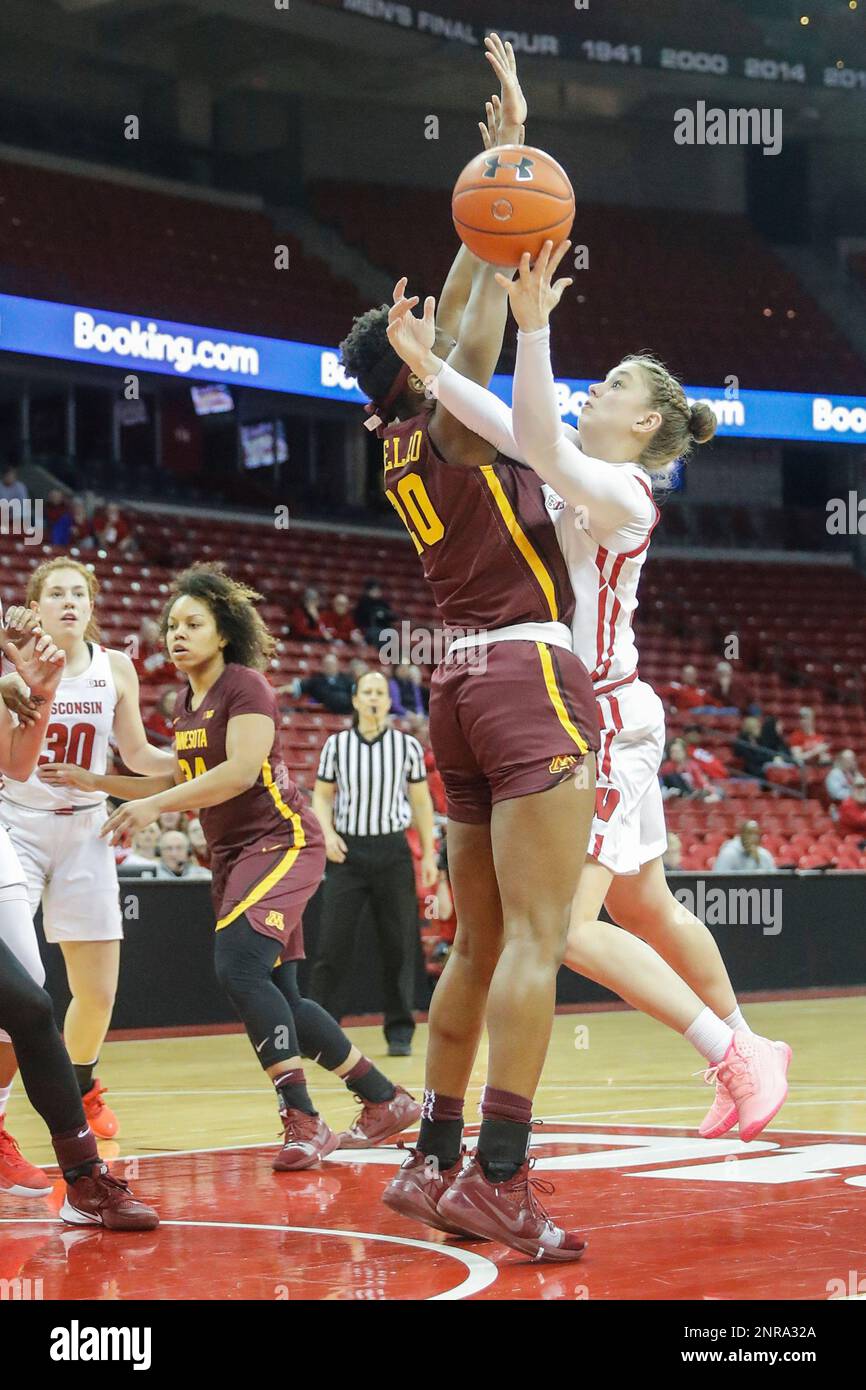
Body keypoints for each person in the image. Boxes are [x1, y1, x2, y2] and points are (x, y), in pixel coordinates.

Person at [384, 221, 792, 1183]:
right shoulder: (575, 455)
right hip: (602, 704)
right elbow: (504, 423)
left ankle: (728, 1054)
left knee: (565, 929)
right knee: (646, 902)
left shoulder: (626, 494)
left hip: (600, 717)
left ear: (645, 424)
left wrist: (525, 333)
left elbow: (524, 433)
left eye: (613, 387)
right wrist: (428, 361)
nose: (593, 392)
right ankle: (752, 1047)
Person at [343, 39, 608, 1260]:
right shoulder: (452, 424)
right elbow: (471, 328)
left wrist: (490, 170)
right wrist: (497, 203)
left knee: (481, 943)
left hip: (451, 683)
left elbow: (452, 323)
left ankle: (431, 1155)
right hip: (524, 672)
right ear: (404, 360)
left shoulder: (392, 441)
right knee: (537, 945)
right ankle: (500, 1176)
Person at [49, 563, 420, 1164]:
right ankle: (383, 1098)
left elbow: (240, 772)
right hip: (232, 857)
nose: (177, 634)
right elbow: (174, 770)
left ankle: (302, 1118)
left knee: (238, 967)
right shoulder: (190, 705)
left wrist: (154, 807)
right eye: (171, 625)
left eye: (193, 623)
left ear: (223, 633)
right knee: (283, 995)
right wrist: (97, 781)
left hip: (281, 842)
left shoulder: (245, 685)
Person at [1, 558, 177, 1143]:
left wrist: (196, 759)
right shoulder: (14, 665)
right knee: (20, 981)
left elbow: (139, 756)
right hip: (16, 824)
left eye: (80, 593)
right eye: (56, 594)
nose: (70, 602)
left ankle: (80, 1088)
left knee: (98, 990)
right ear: (36, 605)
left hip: (85, 830)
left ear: (93, 606)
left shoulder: (116, 667)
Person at [310, 670, 437, 1057]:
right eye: (367, 691)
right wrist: (328, 834)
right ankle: (321, 1032)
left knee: (399, 944)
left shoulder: (407, 747)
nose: (373, 698)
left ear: (388, 700)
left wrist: (429, 853)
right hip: (347, 854)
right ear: (355, 699)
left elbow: (420, 803)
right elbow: (321, 798)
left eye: (380, 692)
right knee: (333, 944)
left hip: (392, 851)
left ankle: (400, 1033)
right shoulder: (336, 746)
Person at [281, 652, 353, 715]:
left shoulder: (347, 680)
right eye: (327, 664)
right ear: (323, 666)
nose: (329, 667)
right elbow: (298, 687)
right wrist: (281, 689)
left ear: (337, 665)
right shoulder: (316, 680)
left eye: (331, 664)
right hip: (322, 713)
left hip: (345, 712)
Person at [354, 581, 398, 647]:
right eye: (374, 590)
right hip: (368, 629)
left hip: (383, 629)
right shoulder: (363, 602)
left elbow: (392, 616)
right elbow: (359, 618)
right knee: (376, 634)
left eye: (378, 590)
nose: (377, 592)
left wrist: (383, 615)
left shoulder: (383, 603)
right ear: (368, 591)